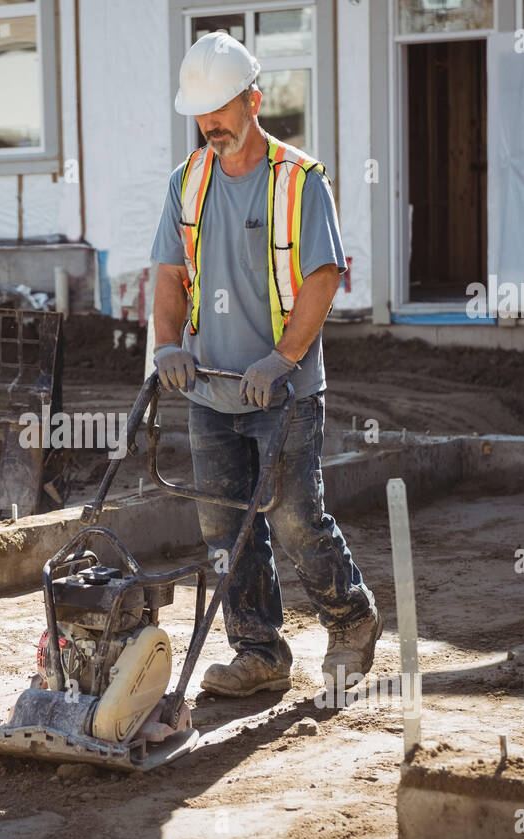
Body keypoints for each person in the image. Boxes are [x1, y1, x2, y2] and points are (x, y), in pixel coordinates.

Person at [149, 31, 382, 697]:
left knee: (291, 516)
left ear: (254, 99)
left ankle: (351, 618)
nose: (209, 125)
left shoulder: (298, 181)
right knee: (224, 524)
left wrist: (283, 358)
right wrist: (167, 345)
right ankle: (258, 649)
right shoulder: (187, 183)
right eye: (199, 113)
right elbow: (168, 274)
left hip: (284, 391)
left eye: (220, 109)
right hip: (211, 389)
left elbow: (324, 275)